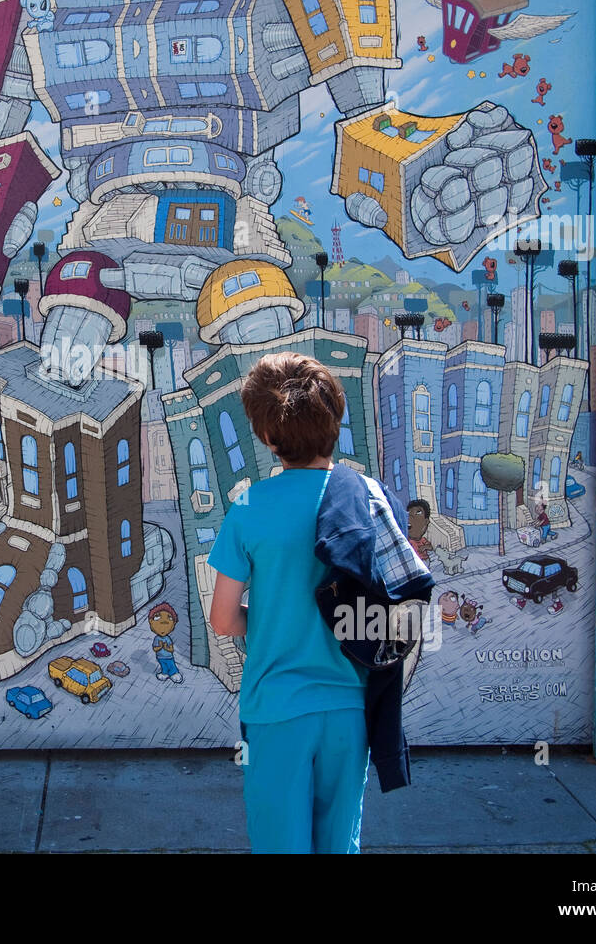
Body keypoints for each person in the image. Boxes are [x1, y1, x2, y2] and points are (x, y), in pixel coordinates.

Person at [207, 352, 371, 854]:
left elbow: (222, 618)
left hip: (277, 709)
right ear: (335, 423)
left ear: (268, 437)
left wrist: (272, 620)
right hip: (351, 707)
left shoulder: (250, 508)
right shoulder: (367, 496)